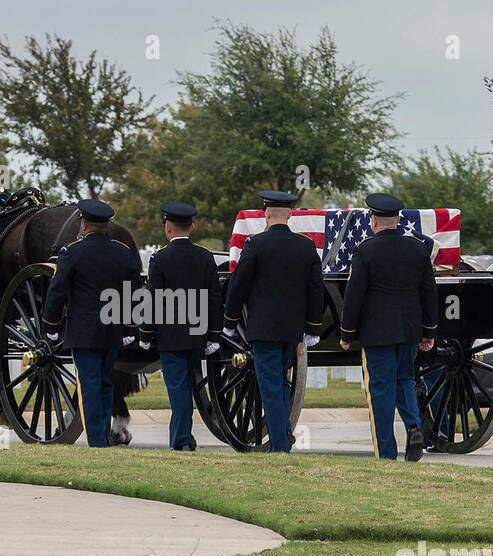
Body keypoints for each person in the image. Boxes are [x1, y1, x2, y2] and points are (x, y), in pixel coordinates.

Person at [222, 191, 324, 453]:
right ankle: (285, 433)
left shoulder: (256, 244)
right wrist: (313, 327)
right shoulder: (305, 246)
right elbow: (315, 289)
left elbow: (239, 285)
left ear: (266, 215)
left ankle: (280, 446)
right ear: (289, 215)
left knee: (270, 384)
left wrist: (230, 320)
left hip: (263, 328)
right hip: (292, 329)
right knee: (280, 380)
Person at [338, 193, 437, 461]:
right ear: (397, 220)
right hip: (409, 331)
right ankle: (414, 426)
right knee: (404, 379)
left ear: (373, 221)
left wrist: (347, 333)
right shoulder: (417, 249)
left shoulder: (365, 250)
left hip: (377, 333)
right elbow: (429, 293)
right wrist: (428, 332)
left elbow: (354, 295)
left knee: (379, 389)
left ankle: (386, 453)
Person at [42, 199, 141, 447]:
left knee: (89, 385)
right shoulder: (122, 253)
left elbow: (57, 293)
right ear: (107, 225)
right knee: (105, 382)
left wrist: (51, 328)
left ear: (84, 225)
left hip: (84, 332)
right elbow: (134, 293)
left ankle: (97, 440)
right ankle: (103, 435)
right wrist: (129, 328)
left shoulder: (72, 253)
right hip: (112, 329)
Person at [138, 201, 223, 451]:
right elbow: (214, 299)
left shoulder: (161, 259)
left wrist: (145, 332)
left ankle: (182, 439)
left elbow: (152, 299)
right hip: (197, 335)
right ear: (192, 227)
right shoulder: (205, 257)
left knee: (178, 390)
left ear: (167, 228)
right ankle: (184, 436)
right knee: (188, 386)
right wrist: (214, 335)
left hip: (171, 336)